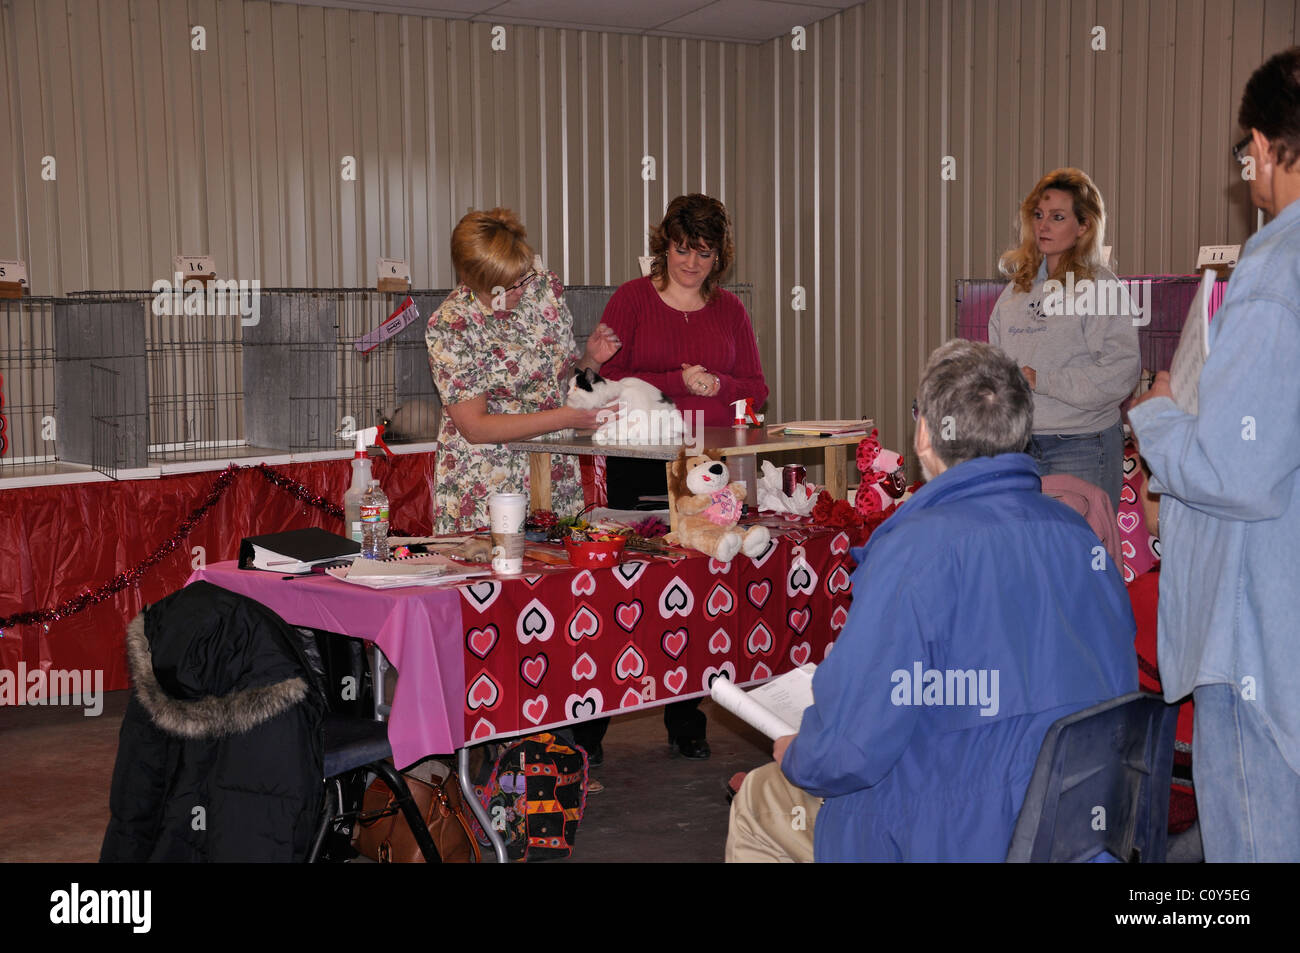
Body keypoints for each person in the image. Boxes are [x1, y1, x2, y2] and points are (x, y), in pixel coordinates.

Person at [725, 339, 1137, 862]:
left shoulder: (915, 551)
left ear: (924, 434)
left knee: (762, 799)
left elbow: (851, 750)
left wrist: (800, 756)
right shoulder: (1079, 536)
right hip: (1078, 826)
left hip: (957, 832)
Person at [1127, 46, 1300, 862]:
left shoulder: (1275, 274)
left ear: (1267, 146)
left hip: (1258, 628)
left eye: (1247, 155)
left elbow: (1237, 469)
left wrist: (1159, 416)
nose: (1248, 173)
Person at [573, 194, 768, 762]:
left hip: (707, 468)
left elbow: (757, 388)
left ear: (719, 256)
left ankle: (686, 718)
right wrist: (680, 381)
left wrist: (719, 386)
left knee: (699, 596)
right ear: (665, 245)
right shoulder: (631, 300)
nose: (691, 263)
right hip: (639, 461)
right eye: (683, 249)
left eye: (704, 253)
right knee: (628, 590)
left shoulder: (731, 310)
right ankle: (591, 729)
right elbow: (602, 378)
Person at [425, 208, 620, 533]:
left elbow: (559, 384)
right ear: (472, 278)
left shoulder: (543, 291)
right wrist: (569, 417)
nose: (517, 289)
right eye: (502, 286)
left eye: (522, 276)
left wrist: (591, 360)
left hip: (556, 473)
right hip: (490, 484)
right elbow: (475, 428)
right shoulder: (452, 324)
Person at [987, 168, 1140, 512]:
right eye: (1039, 216)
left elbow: (1121, 372)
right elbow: (997, 363)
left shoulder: (1101, 288)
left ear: (1084, 226)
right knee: (1028, 558)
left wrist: (1044, 381)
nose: (1043, 226)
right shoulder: (1014, 292)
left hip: (1082, 445)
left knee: (1077, 559)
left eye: (1058, 217)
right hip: (1020, 446)